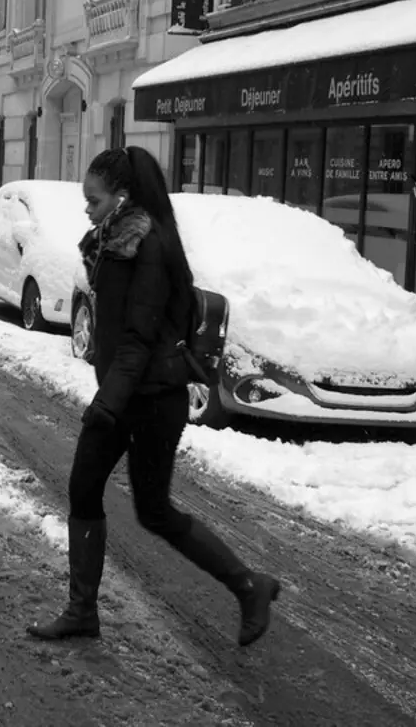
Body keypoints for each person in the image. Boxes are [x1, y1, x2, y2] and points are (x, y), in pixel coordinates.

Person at [26, 146, 280, 648]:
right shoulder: (118, 244)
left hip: (152, 399)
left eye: (93, 200)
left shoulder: (149, 248)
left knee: (154, 510)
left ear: (121, 198)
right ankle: (81, 612)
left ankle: (250, 585)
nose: (86, 208)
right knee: (84, 489)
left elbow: (138, 338)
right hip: (127, 393)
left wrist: (107, 404)